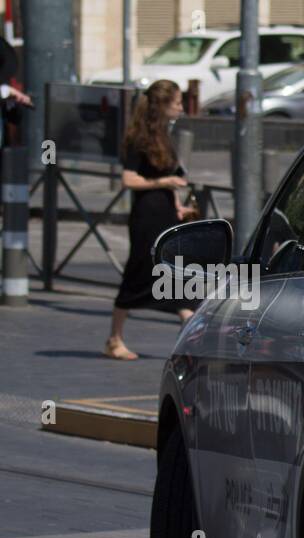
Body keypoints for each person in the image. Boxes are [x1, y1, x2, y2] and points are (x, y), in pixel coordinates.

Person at [105, 79, 199, 361]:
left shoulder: (165, 136)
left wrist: (178, 205)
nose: (182, 107)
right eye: (177, 102)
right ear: (161, 105)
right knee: (138, 272)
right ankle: (114, 339)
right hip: (147, 215)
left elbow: (169, 183)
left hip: (166, 213)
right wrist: (165, 181)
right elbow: (128, 179)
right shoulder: (139, 138)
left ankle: (189, 334)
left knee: (176, 273)